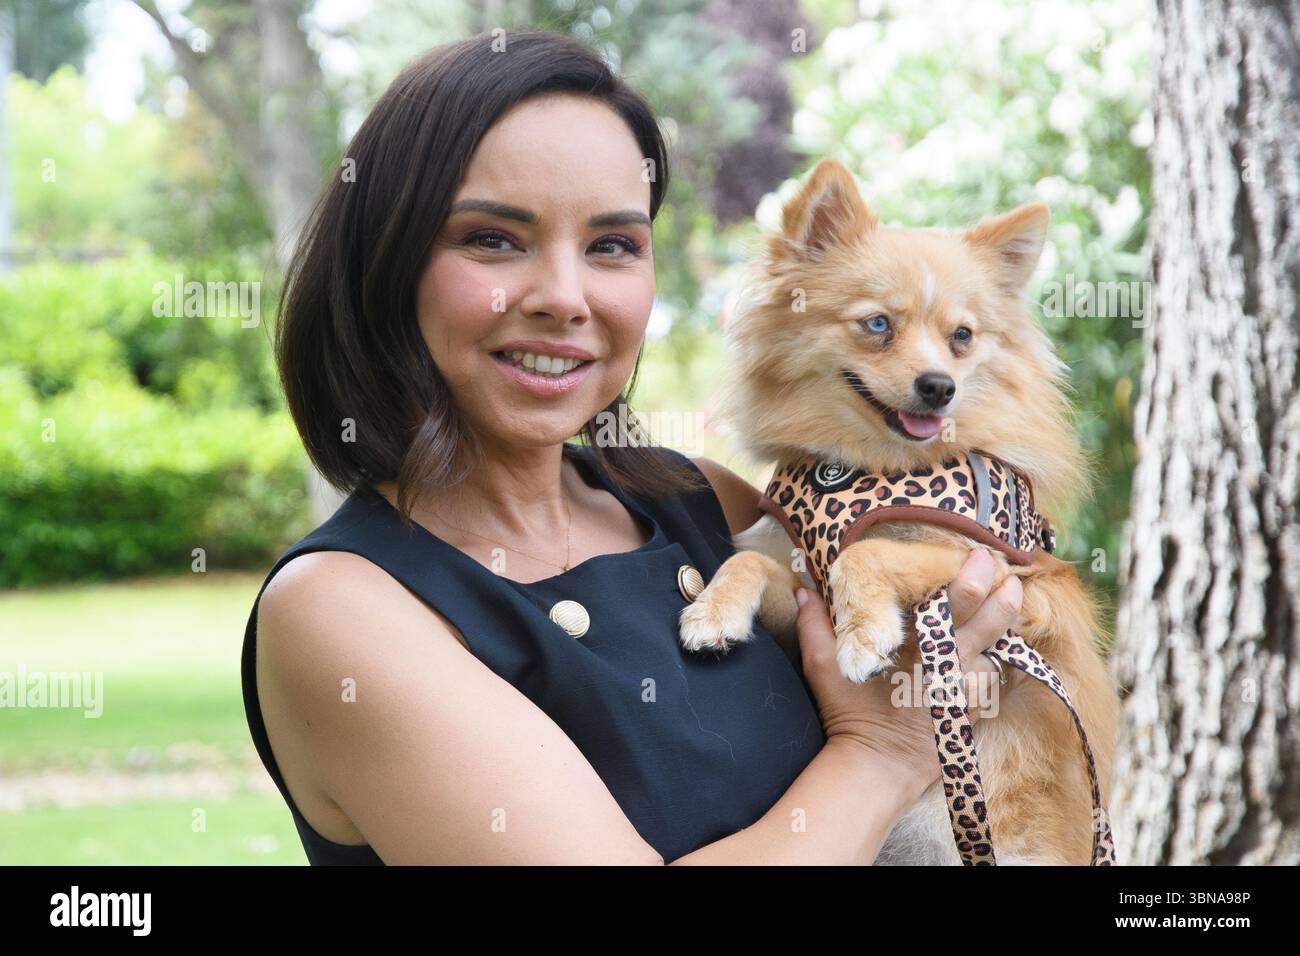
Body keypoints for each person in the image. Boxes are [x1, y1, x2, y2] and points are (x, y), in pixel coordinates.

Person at [240, 29, 1025, 865]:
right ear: (385, 264)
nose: (565, 298)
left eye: (612, 246)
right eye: (494, 239)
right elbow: (896, 735)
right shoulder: (341, 610)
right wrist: (881, 756)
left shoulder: (705, 503)